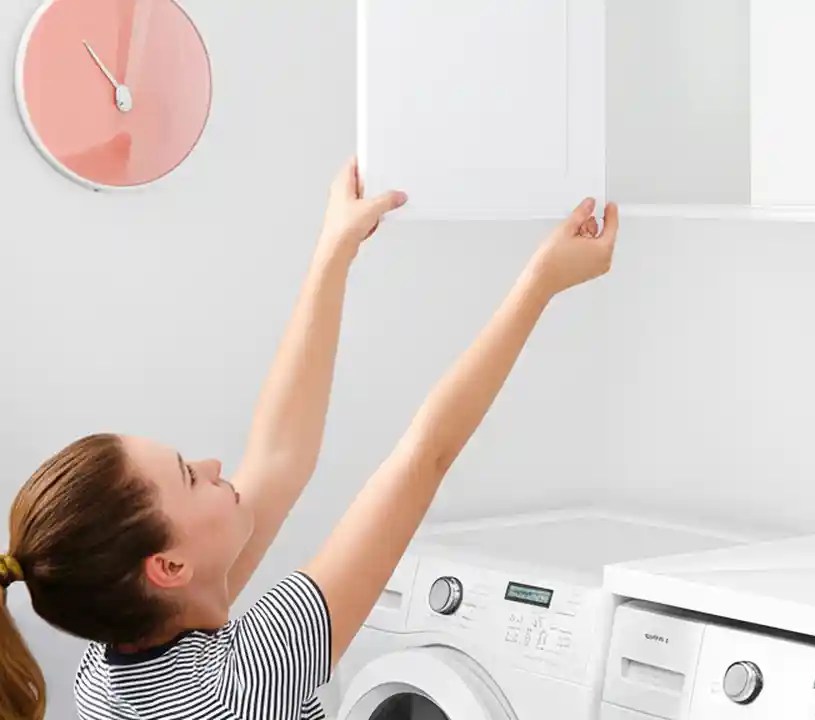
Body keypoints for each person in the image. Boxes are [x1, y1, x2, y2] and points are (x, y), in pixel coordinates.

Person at [0, 157, 618, 719]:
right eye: (189, 475)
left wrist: (335, 249)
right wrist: (540, 283)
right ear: (168, 565)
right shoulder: (236, 684)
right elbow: (422, 458)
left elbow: (278, 457)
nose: (215, 465)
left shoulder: (108, 671)